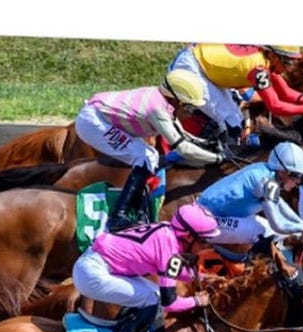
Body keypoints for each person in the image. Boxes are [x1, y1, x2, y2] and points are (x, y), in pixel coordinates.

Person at [71, 203, 221, 332]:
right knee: (153, 298)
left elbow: (173, 270)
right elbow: (170, 303)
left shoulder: (168, 230)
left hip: (96, 264)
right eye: (204, 241)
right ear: (188, 237)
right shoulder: (171, 250)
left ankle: (126, 331)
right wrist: (197, 301)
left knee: (153, 294)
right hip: (92, 274)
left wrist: (201, 277)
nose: (206, 247)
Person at [74, 69, 225, 231]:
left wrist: (206, 143)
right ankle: (119, 215)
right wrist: (218, 158)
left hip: (101, 117)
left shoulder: (165, 102)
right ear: (177, 101)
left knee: (151, 156)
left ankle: (136, 208)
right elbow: (183, 147)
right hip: (94, 122)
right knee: (145, 157)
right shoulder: (157, 109)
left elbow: (182, 134)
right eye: (189, 107)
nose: (191, 112)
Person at [167, 43, 303, 145]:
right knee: (230, 121)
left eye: (292, 62)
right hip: (192, 67)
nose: (289, 68)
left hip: (203, 65)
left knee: (236, 121)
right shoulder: (258, 67)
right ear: (273, 55)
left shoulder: (267, 62)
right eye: (287, 62)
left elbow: (286, 93)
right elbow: (275, 106)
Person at [196, 141, 303, 251]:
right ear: (282, 172)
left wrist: (301, 222)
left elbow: (280, 204)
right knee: (265, 232)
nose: (298, 181)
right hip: (206, 220)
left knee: (266, 226)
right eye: (296, 175)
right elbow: (278, 225)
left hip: (209, 213)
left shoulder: (265, 171)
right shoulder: (268, 184)